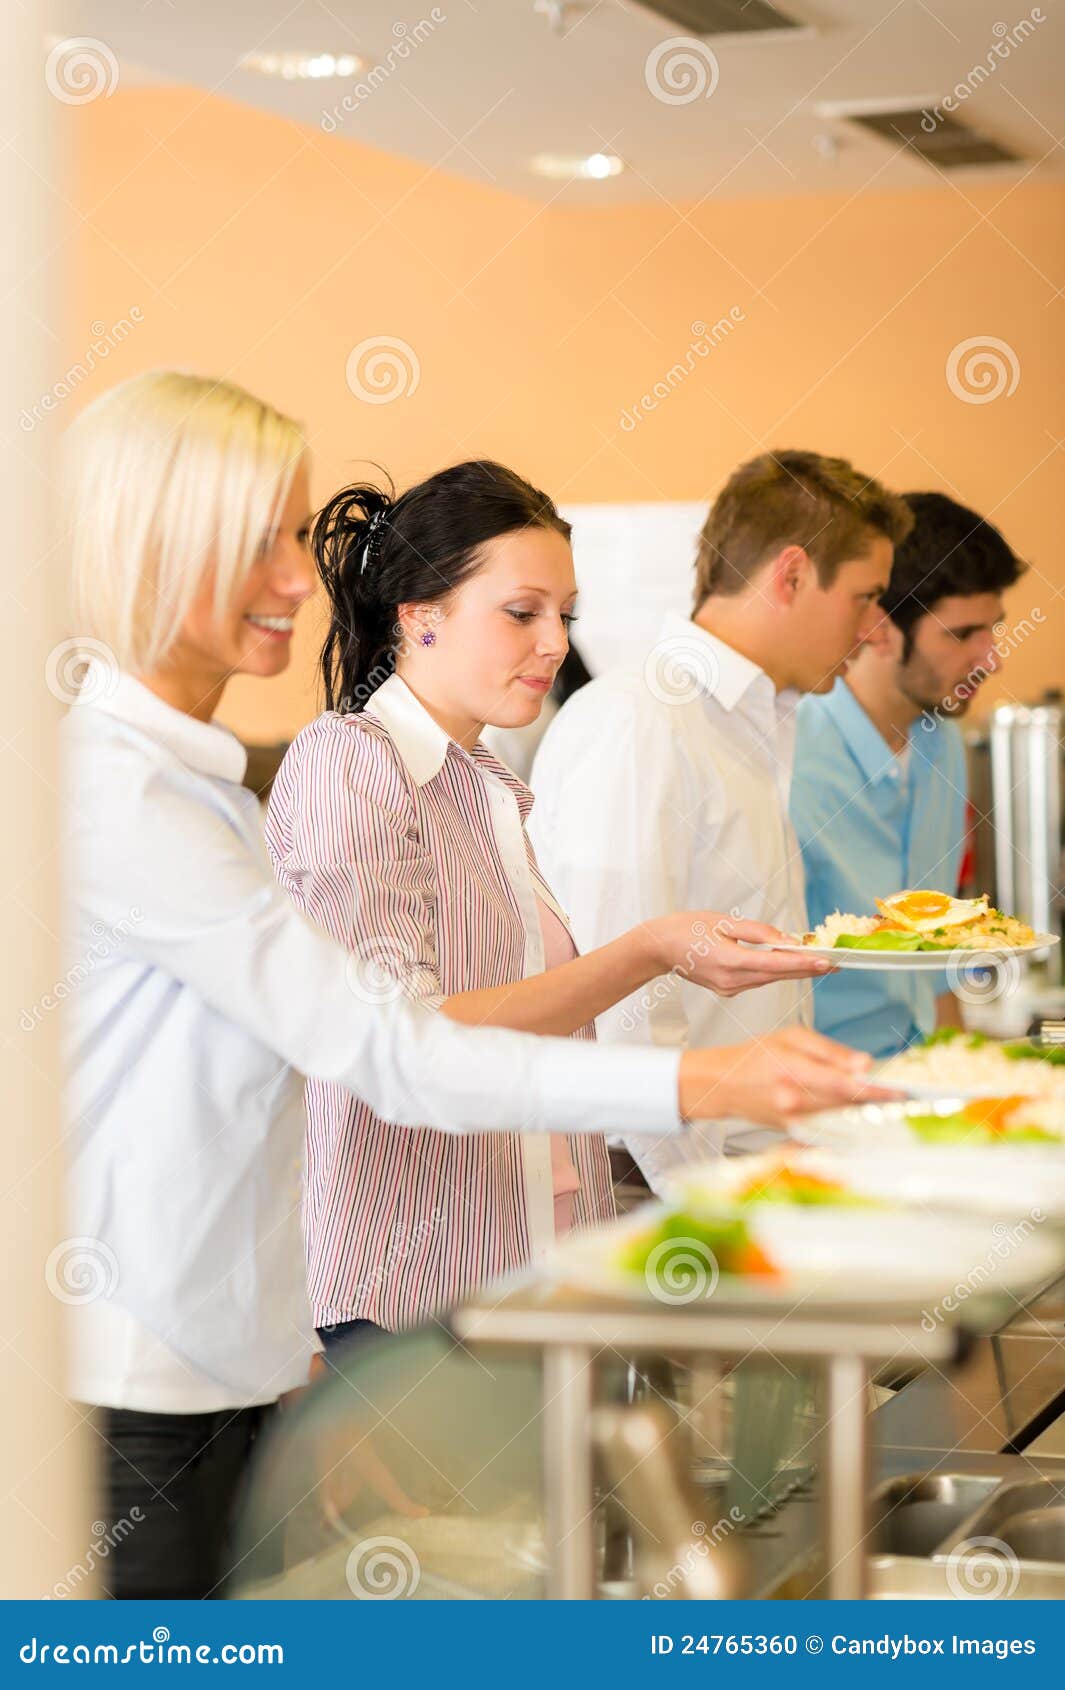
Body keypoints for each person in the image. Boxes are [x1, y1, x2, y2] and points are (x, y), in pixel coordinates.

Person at [60, 377, 882, 1598]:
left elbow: (255, 1118)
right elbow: (388, 1048)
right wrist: (701, 1068)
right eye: (266, 542)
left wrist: (295, 1371)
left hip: (236, 1365)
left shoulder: (216, 792)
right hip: (143, 1381)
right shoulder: (129, 796)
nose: (300, 579)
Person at [265, 462, 844, 1344]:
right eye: (521, 613)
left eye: (562, 617)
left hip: (522, 1256)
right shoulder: (350, 763)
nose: (553, 646)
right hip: (408, 1286)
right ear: (419, 618)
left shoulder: (487, 783)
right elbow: (408, 1042)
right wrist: (651, 950)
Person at [530, 448, 913, 1190]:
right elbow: (624, 1010)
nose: (873, 629)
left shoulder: (754, 722)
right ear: (792, 575)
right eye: (865, 597)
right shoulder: (641, 722)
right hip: (656, 1178)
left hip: (744, 1163)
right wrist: (702, 1200)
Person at [790, 491, 1026, 1057]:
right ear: (878, 626)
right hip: (811, 1090)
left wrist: (958, 1083)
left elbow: (936, 959)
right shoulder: (789, 750)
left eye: (994, 628)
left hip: (918, 1076)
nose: (992, 658)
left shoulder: (941, 742)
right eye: (962, 633)